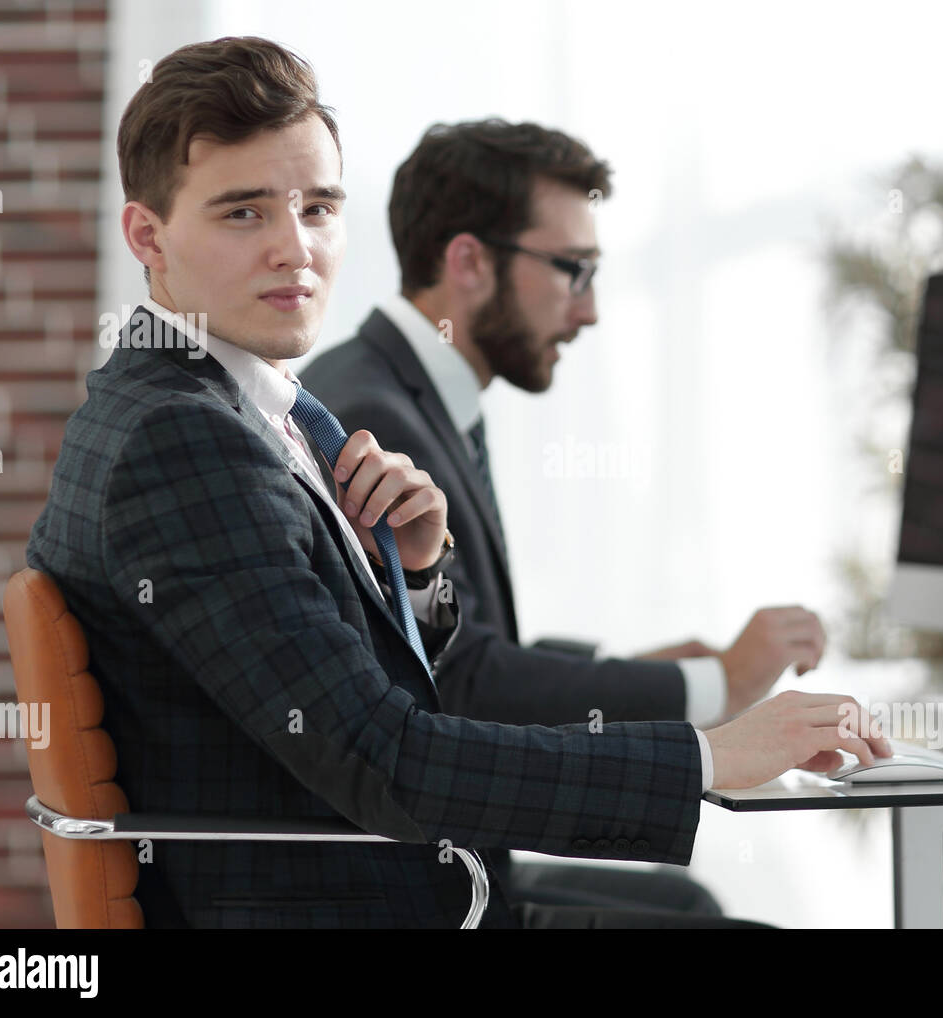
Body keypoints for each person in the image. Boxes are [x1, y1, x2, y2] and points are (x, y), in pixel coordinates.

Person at [27, 36, 891, 929]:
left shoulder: (223, 408)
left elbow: (363, 686)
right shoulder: (184, 439)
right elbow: (386, 756)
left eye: (318, 207)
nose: (298, 249)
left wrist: (418, 572)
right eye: (244, 213)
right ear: (148, 236)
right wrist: (709, 756)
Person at [299, 119, 840, 912]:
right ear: (469, 261)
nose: (586, 314)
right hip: (428, 886)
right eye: (573, 271)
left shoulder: (397, 388)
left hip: (452, 858)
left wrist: (641, 670)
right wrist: (711, 686)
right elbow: (464, 683)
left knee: (689, 903)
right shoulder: (375, 418)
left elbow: (458, 646)